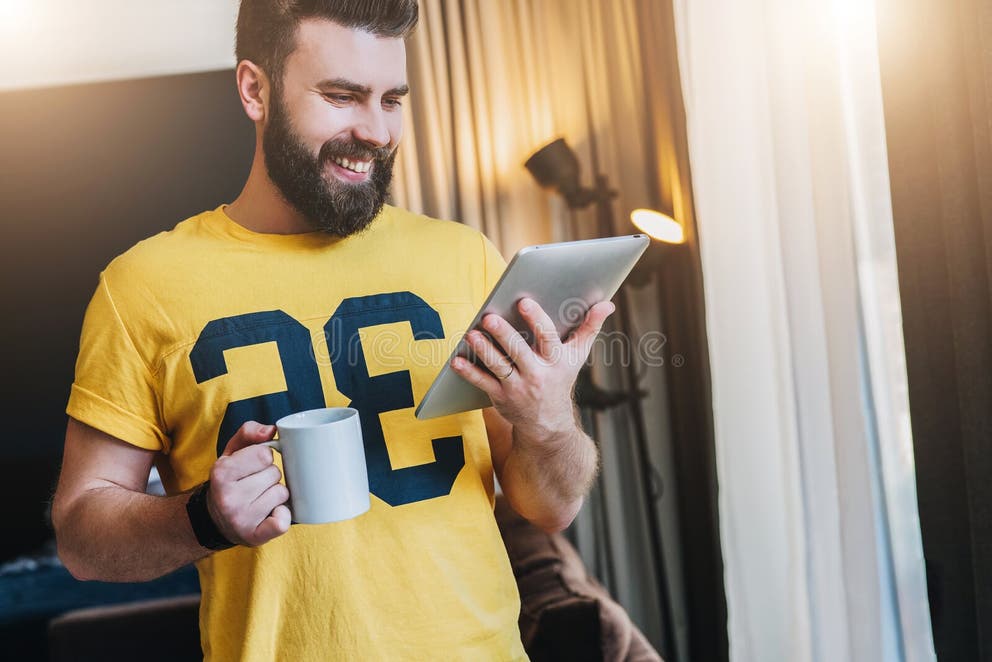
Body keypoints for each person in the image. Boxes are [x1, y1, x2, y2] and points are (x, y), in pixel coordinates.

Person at [51, 1, 614, 659]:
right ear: (255, 89)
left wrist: (546, 424)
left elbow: (550, 507)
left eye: (392, 100)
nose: (375, 130)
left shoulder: (462, 255)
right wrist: (205, 517)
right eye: (343, 96)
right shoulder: (142, 285)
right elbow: (82, 540)